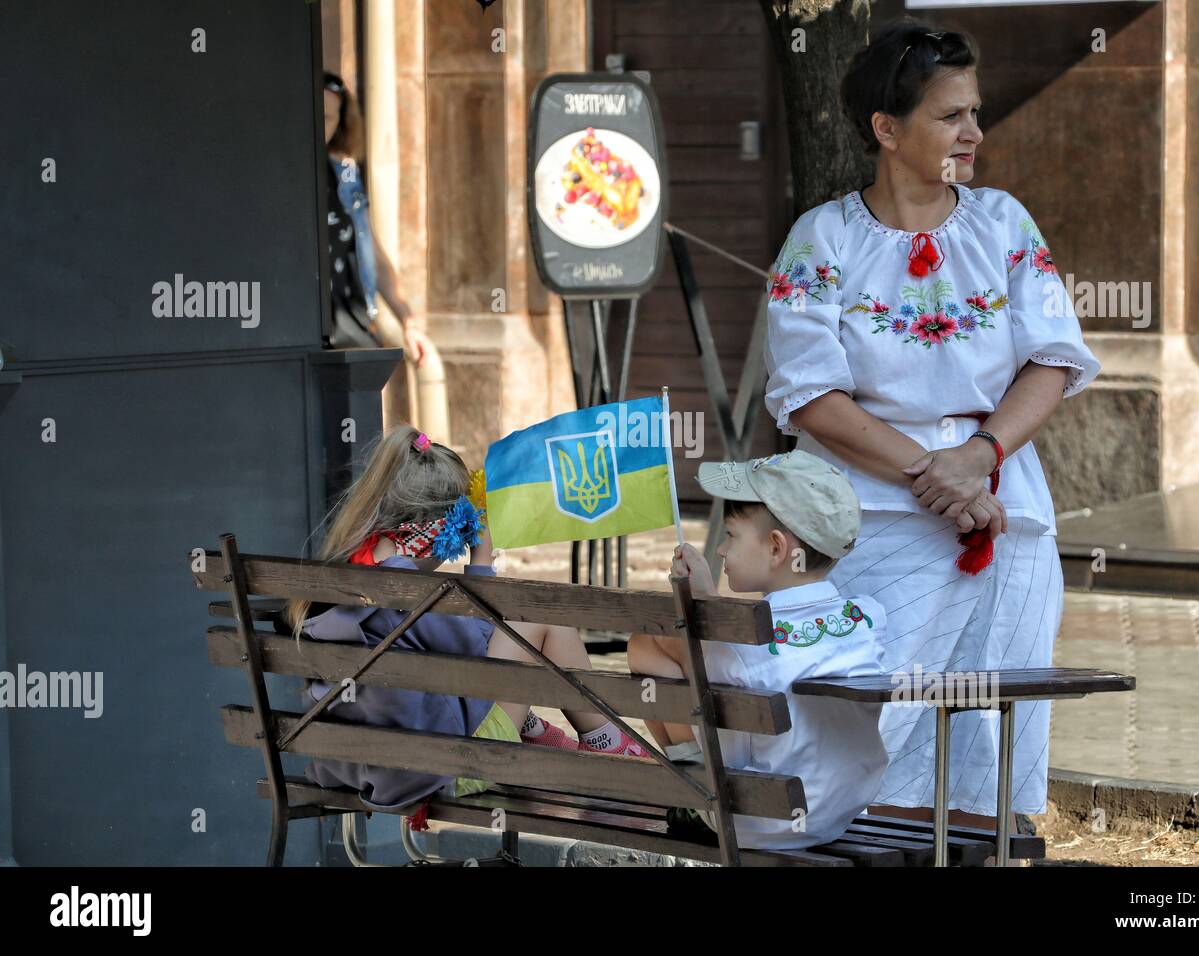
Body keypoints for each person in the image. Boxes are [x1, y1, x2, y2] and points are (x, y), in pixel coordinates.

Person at [762, 16, 1102, 833]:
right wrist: (934, 474)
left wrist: (978, 457)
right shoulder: (822, 239)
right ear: (887, 128)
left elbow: (1053, 358)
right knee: (869, 735)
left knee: (997, 731)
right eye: (951, 116)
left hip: (1003, 519)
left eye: (974, 112)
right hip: (869, 522)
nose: (974, 132)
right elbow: (809, 397)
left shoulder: (1004, 225)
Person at [280, 425, 649, 813]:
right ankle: (608, 743)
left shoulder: (341, 575)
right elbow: (478, 648)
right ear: (434, 531)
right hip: (443, 769)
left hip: (362, 767)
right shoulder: (405, 588)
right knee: (541, 622)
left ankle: (534, 729)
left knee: (503, 653)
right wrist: (482, 566)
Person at [627, 450, 889, 850]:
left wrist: (703, 603)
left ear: (776, 549)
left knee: (645, 646)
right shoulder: (867, 620)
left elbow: (648, 653)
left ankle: (687, 775)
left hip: (754, 820)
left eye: (731, 535)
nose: (720, 549)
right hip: (838, 813)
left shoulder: (741, 642)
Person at [322, 73, 435, 379]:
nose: (320, 126)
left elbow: (370, 250)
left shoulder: (344, 175)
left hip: (353, 326)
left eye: (328, 118)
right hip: (305, 334)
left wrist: (407, 321)